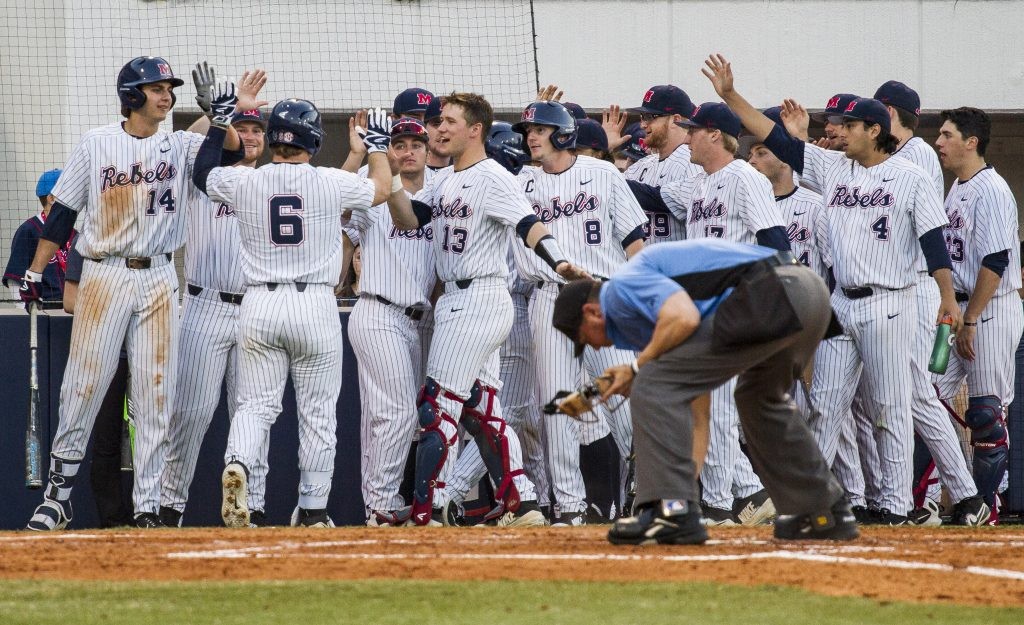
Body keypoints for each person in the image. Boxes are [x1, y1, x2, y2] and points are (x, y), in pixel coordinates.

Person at [701, 53, 961, 524]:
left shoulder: (912, 177)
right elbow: (774, 135)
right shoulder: (835, 167)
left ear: (874, 130)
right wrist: (731, 96)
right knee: (823, 406)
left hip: (891, 301)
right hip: (842, 303)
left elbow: (934, 243)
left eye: (848, 125)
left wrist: (946, 298)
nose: (838, 130)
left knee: (889, 408)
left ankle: (895, 506)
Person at [23, 57, 257, 531]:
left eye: (169, 88)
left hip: (159, 276)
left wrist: (221, 116)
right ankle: (57, 498)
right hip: (104, 273)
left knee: (155, 396)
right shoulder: (96, 142)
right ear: (131, 95)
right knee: (82, 388)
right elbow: (63, 212)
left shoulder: (181, 144)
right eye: (156, 88)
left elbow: (229, 156)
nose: (166, 95)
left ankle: (147, 506)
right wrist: (35, 269)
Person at [552, 240, 855, 544]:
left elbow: (683, 317)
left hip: (772, 291)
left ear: (592, 312)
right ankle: (823, 509)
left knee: (650, 380)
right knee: (758, 399)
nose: (593, 347)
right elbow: (699, 416)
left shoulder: (621, 287)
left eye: (585, 339)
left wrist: (635, 368)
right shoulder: (652, 318)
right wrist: (685, 493)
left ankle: (668, 512)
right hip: (806, 293)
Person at [384, 92, 589, 527]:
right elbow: (407, 219)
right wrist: (389, 175)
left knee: (436, 405)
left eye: (450, 122)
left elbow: (529, 224)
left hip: (478, 297)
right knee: (481, 408)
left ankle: (427, 508)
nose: (440, 128)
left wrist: (559, 262)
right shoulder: (444, 179)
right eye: (439, 121)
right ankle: (522, 500)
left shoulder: (493, 176)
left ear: (475, 130)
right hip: (458, 300)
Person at [193, 97, 393, 528]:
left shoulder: (246, 180)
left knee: (254, 405)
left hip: (259, 302)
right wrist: (376, 146)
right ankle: (314, 511)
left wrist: (221, 121)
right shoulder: (329, 181)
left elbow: (201, 174)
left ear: (273, 138)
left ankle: (238, 462)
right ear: (314, 138)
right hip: (313, 304)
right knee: (317, 413)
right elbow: (380, 189)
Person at [511, 100, 647, 526]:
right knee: (560, 406)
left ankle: (646, 490)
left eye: (540, 129)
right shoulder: (520, 182)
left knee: (623, 399)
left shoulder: (603, 173)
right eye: (528, 131)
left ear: (563, 133)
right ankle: (569, 506)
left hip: (604, 295)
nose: (531, 137)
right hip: (550, 297)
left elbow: (635, 242)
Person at [158, 108, 270, 528]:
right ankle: (169, 507)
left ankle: (252, 507)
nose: (250, 136)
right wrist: (217, 116)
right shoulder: (202, 176)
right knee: (190, 413)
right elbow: (188, 138)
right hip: (204, 305)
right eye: (243, 129)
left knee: (253, 414)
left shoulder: (270, 182)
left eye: (257, 129)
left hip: (256, 306)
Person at [345, 117, 437, 526]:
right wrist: (360, 156)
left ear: (428, 149)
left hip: (418, 321)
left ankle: (376, 507)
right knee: (398, 414)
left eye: (416, 144)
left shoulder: (442, 189)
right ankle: (382, 505)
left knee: (384, 419)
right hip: (378, 310)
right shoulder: (372, 184)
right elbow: (332, 207)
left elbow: (413, 219)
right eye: (398, 144)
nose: (408, 151)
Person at [933, 106, 1023, 523]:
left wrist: (970, 319)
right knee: (924, 396)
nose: (939, 142)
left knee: (986, 414)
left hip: (989, 310)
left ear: (971, 142)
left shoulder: (993, 189)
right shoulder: (957, 186)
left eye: (947, 135)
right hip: (957, 309)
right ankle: (943, 493)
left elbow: (997, 260)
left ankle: (985, 506)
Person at [62, 234, 134, 528]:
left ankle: (150, 514)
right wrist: (115, 313)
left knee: (153, 437)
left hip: (148, 354)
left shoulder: (152, 234)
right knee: (107, 440)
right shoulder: (86, 240)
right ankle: (114, 521)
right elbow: (70, 301)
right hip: (107, 356)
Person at [617, 85, 702, 244]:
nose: (643, 125)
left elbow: (684, 204)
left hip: (678, 257)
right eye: (642, 117)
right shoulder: (641, 166)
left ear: (676, 120)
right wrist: (603, 152)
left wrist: (613, 180)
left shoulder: (692, 161)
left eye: (650, 117)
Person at [4, 170, 72, 307]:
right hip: (44, 307)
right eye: (67, 193)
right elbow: (14, 278)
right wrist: (24, 309)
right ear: (51, 198)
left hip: (73, 307)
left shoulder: (73, 232)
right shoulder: (28, 230)